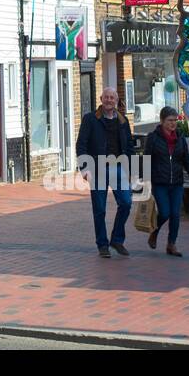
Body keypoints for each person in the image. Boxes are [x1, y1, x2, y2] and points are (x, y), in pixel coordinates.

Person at [76, 88, 135, 258]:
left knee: (125, 203)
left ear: (116, 100)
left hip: (118, 167)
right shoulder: (90, 119)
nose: (109, 100)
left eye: (112, 97)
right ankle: (102, 245)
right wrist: (85, 169)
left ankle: (117, 240)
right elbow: (81, 145)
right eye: (106, 97)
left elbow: (129, 148)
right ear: (101, 99)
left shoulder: (123, 121)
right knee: (100, 209)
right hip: (97, 167)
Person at [143, 107, 189, 256]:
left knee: (175, 214)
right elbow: (146, 160)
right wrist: (144, 180)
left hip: (176, 183)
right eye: (170, 120)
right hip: (159, 182)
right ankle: (154, 232)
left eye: (175, 120)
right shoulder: (153, 138)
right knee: (164, 213)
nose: (173, 123)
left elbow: (187, 160)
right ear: (162, 121)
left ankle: (171, 244)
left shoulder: (180, 139)